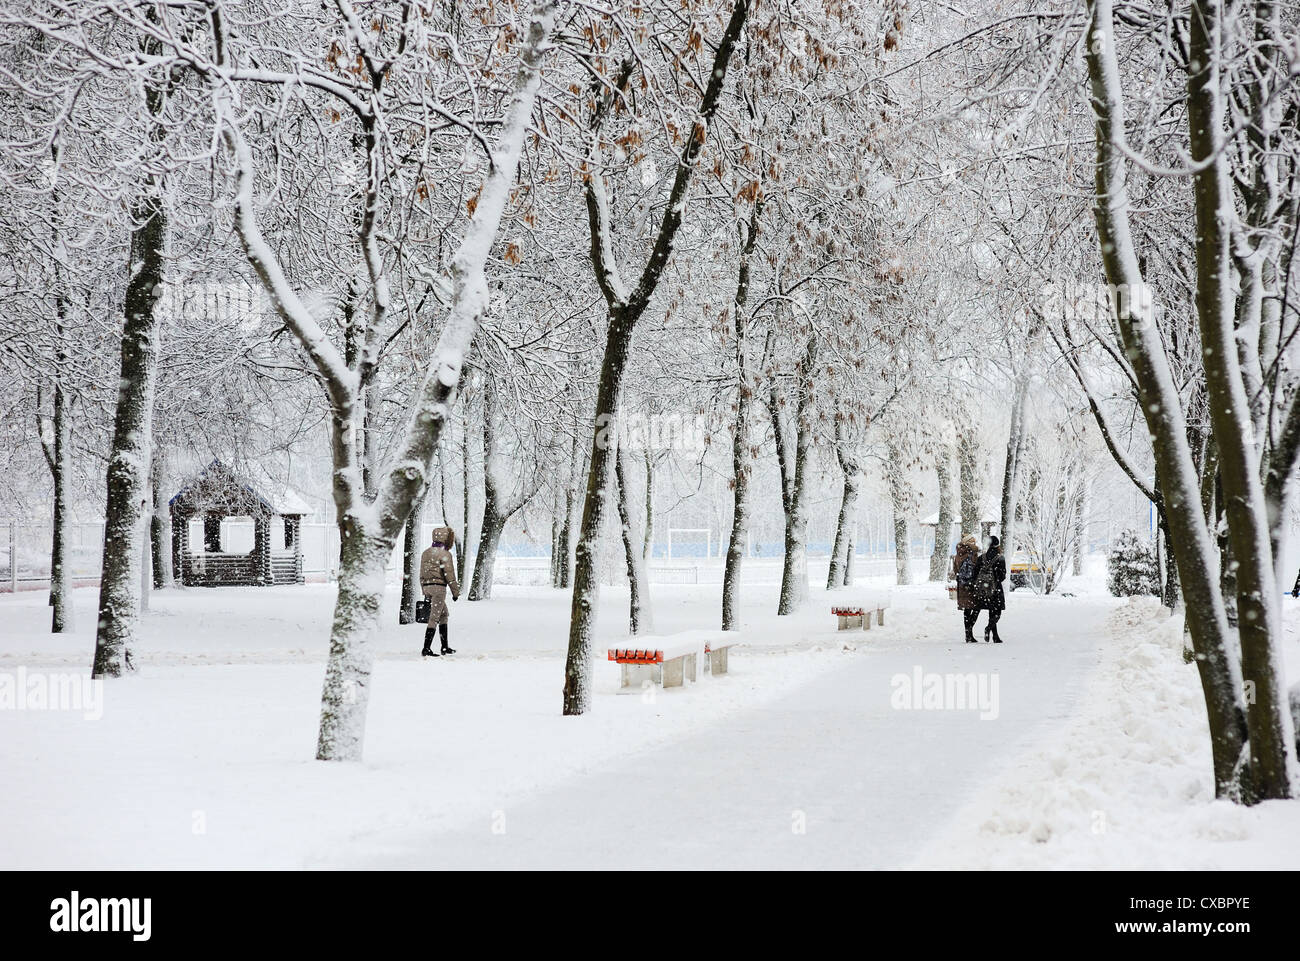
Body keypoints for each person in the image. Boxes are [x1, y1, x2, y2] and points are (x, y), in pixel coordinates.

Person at [420, 526, 460, 657]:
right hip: (439, 588)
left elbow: (422, 573)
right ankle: (426, 649)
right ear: (446, 539)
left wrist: (424, 589)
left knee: (444, 614)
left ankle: (444, 647)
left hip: (427, 587)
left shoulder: (426, 552)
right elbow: (450, 575)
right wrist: (455, 592)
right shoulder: (445, 554)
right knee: (434, 618)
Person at [972, 535, 1007, 643]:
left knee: (977, 611)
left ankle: (995, 636)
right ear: (997, 545)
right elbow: (1002, 576)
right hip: (995, 590)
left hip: (982, 590)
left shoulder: (981, 558)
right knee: (996, 613)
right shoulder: (1000, 558)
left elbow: (975, 574)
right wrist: (995, 580)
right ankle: (988, 628)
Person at [951, 534, 981, 643]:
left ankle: (968, 634)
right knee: (977, 608)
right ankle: (970, 632)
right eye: (973, 541)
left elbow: (955, 570)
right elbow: (977, 569)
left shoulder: (958, 554)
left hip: (962, 585)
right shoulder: (973, 553)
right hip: (972, 585)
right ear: (969, 542)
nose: (975, 543)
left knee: (967, 610)